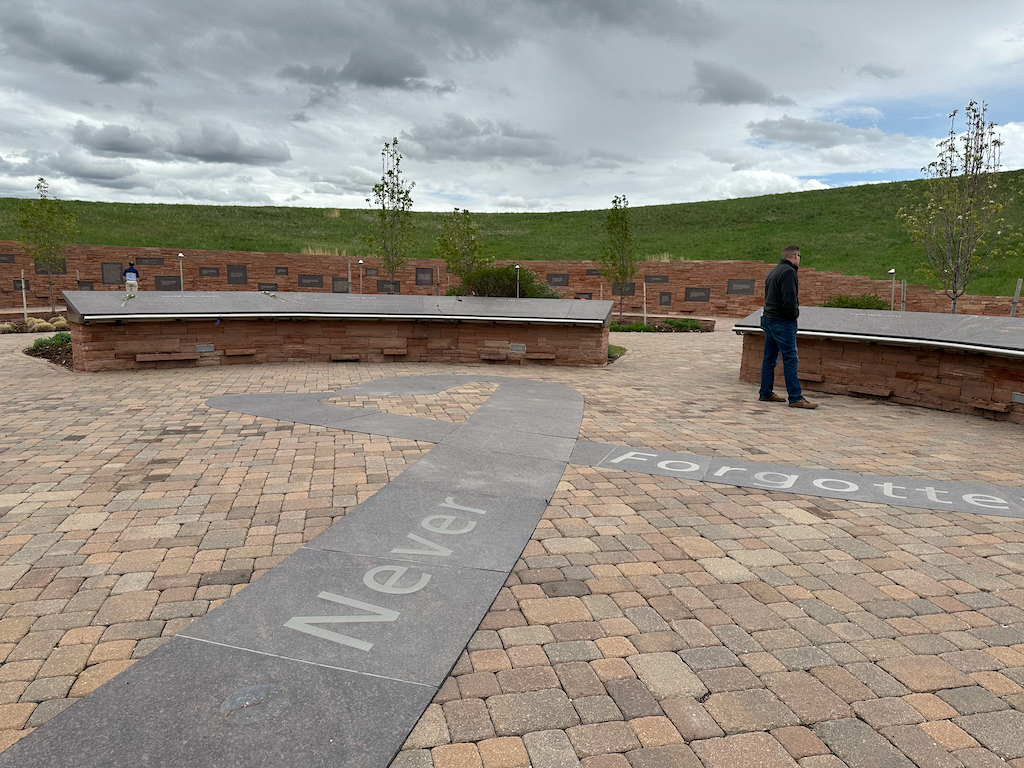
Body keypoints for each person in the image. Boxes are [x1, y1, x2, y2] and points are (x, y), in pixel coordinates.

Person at [759, 245, 817, 408]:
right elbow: (790, 298)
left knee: (769, 358)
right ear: (795, 256)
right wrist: (793, 316)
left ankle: (766, 392)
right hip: (782, 322)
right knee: (791, 358)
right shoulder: (789, 272)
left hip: (769, 319)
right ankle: (795, 397)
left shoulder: (774, 271)